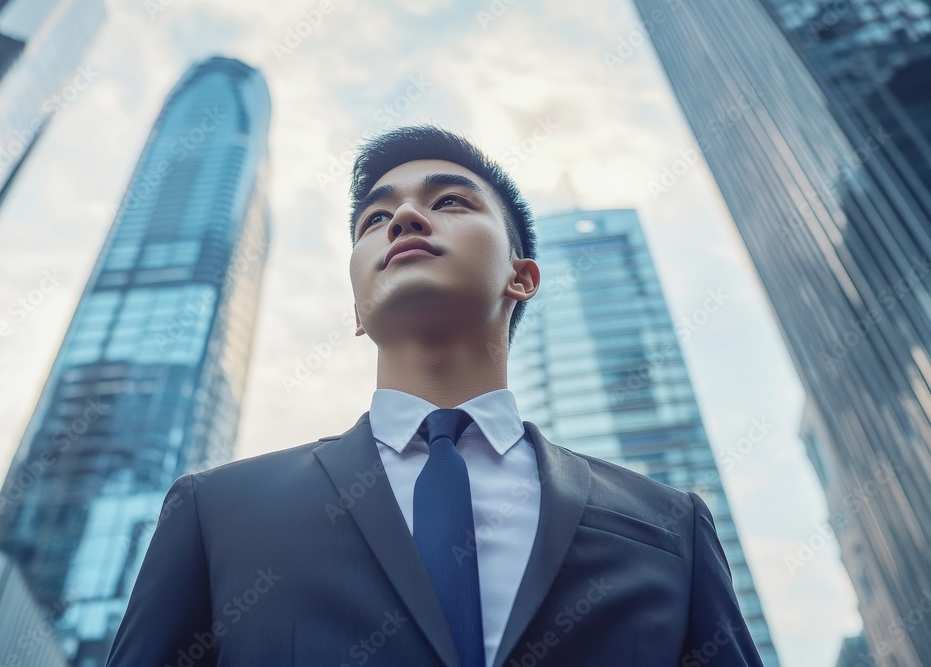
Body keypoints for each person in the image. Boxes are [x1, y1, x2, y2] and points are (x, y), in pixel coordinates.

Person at [106, 125, 764, 667]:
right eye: (376, 217)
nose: (407, 218)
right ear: (358, 308)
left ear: (523, 276)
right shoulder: (216, 512)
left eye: (450, 201)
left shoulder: (671, 525)